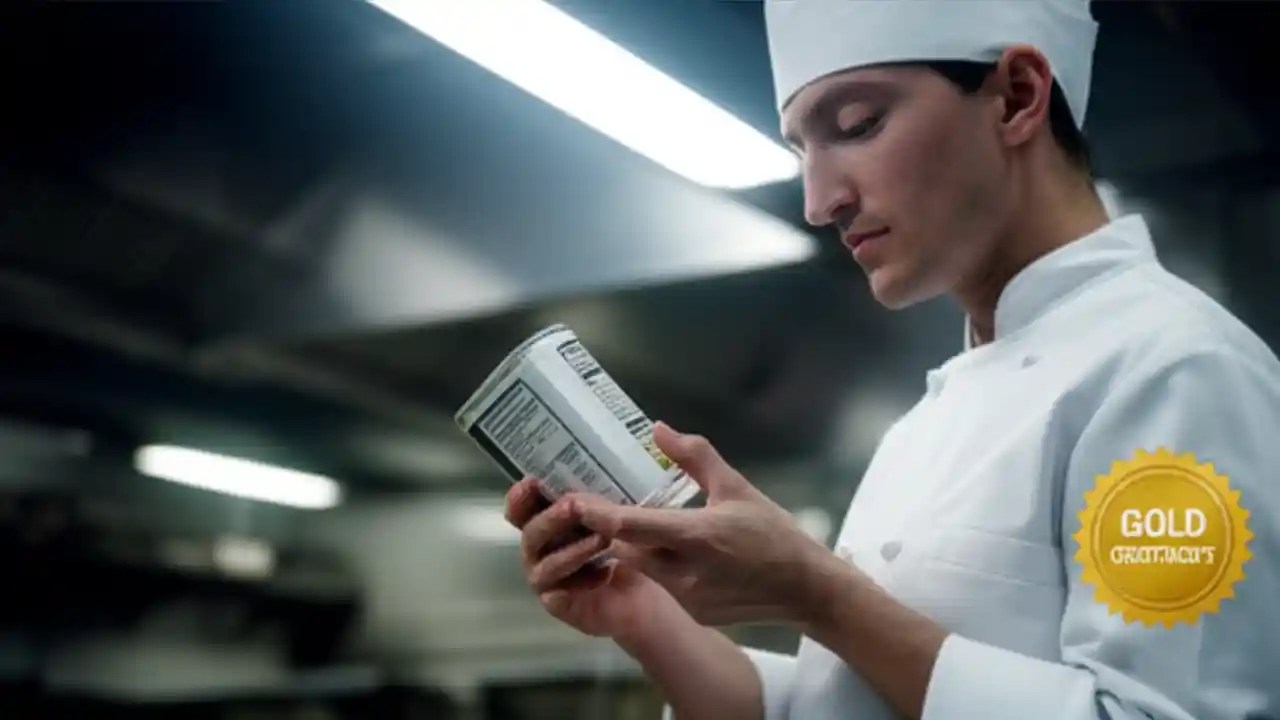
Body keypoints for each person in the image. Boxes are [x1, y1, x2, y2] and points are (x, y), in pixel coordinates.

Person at [503, 1, 1280, 718]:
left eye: (857, 123)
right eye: (802, 149)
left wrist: (821, 595)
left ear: (1015, 96)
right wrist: (643, 612)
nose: (818, 201)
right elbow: (839, 703)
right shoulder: (923, 423)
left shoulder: (1174, 372)